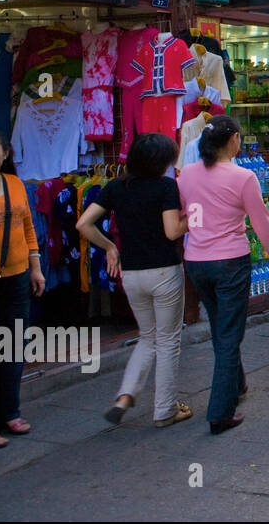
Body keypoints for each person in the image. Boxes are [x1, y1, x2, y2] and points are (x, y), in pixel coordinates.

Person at [178, 115, 269, 433]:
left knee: (220, 326)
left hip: (196, 261)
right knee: (229, 334)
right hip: (229, 262)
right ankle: (220, 412)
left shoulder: (186, 175)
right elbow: (260, 222)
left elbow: (186, 215)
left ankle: (235, 383)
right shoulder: (243, 177)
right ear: (234, 140)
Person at [78, 133, 192, 428]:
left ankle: (125, 396)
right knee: (167, 342)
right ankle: (165, 410)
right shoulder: (167, 187)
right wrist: (192, 216)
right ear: (161, 162)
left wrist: (109, 247)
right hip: (164, 272)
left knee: (147, 337)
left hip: (131, 274)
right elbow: (171, 231)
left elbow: (84, 223)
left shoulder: (118, 186)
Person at [0, 131, 46, 449]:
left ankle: (10, 412)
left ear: (4, 153)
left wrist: (36, 267)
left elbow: (28, 227)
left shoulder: (14, 184)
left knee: (13, 347)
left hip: (16, 278)